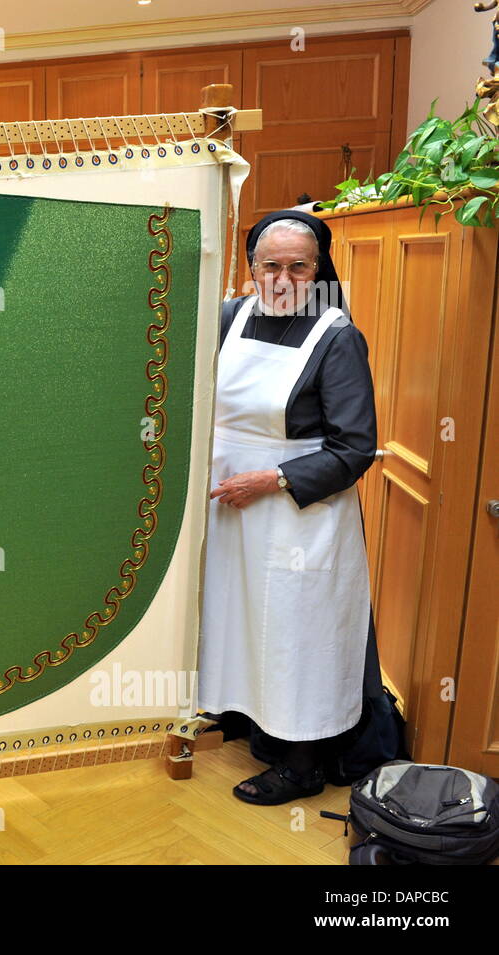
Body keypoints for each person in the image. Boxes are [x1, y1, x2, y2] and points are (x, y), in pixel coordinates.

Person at [198, 209, 380, 805]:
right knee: (235, 619)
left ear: (318, 269)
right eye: (268, 266)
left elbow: (354, 448)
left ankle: (301, 762)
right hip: (229, 504)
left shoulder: (337, 338)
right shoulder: (228, 315)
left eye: (297, 267)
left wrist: (271, 479)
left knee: (294, 632)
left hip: (299, 511)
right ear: (251, 268)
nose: (281, 279)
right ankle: (245, 720)